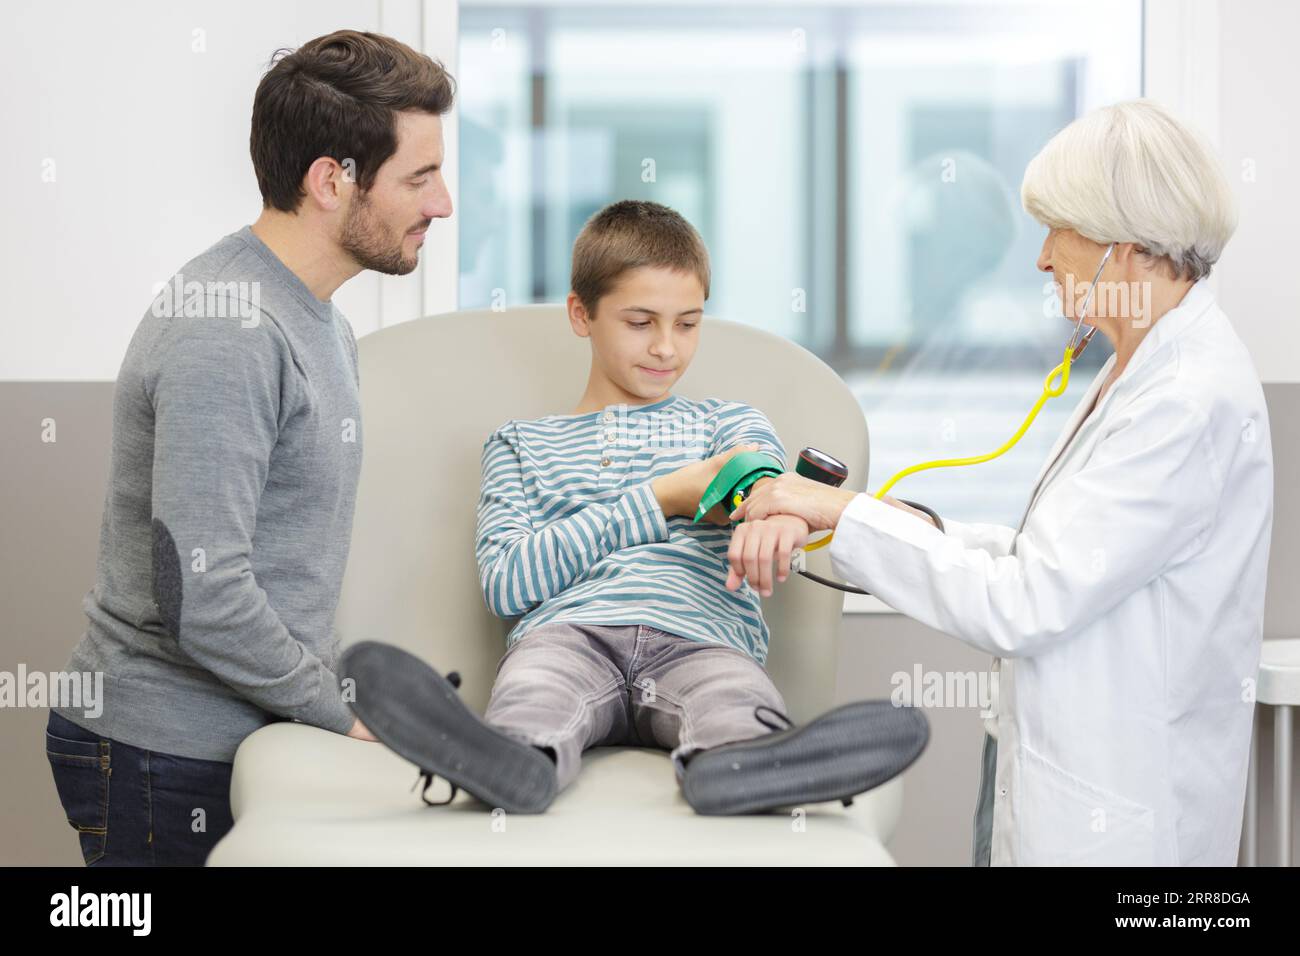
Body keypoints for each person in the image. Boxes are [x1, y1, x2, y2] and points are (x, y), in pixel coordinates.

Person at [727, 99, 1273, 865]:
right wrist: (913, 528)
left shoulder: (1185, 400)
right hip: (1056, 765)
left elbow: (1027, 601)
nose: (1043, 257)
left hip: (1120, 808)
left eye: (1060, 230)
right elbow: (1056, 557)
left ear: (1130, 246)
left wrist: (843, 512)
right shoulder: (1137, 372)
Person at [342, 200, 928, 815]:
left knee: (733, 705)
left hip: (703, 638)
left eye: (688, 323)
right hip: (567, 636)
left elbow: (759, 478)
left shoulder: (724, 422)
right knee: (535, 697)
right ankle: (509, 759)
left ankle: (752, 766)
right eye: (641, 322)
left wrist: (780, 515)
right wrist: (662, 496)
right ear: (581, 314)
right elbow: (507, 583)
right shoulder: (521, 444)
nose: (667, 349)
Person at [45, 30, 454, 866]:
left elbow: (280, 570)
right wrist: (348, 715)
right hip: (159, 758)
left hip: (236, 747)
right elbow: (204, 594)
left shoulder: (321, 322)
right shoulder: (230, 331)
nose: (441, 203)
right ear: (331, 180)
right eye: (419, 177)